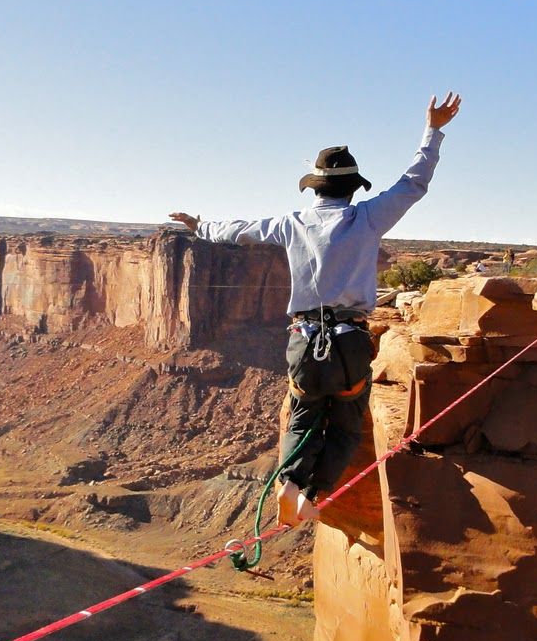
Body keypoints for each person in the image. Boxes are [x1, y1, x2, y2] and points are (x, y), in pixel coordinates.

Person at [169, 92, 462, 527]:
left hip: (303, 341)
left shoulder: (291, 224)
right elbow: (413, 183)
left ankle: (290, 481)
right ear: (352, 188)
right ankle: (315, 492)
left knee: (303, 416)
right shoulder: (367, 218)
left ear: (316, 187)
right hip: (350, 343)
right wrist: (432, 131)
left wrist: (200, 225)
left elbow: (240, 231)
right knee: (345, 423)